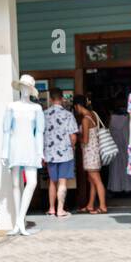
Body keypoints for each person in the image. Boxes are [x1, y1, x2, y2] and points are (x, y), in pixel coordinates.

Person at [42, 88, 77, 218]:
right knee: (62, 182)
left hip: (50, 154)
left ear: (51, 99)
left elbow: (40, 134)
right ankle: (60, 210)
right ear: (62, 99)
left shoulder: (44, 114)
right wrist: (72, 147)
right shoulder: (68, 115)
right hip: (65, 153)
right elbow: (73, 136)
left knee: (52, 181)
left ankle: (51, 209)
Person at [74, 94, 107, 214]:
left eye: (75, 107)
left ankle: (103, 206)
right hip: (94, 152)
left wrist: (77, 137)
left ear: (77, 106)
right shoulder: (93, 114)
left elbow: (85, 140)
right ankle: (90, 205)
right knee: (92, 180)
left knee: (96, 180)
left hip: (90, 153)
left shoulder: (85, 119)